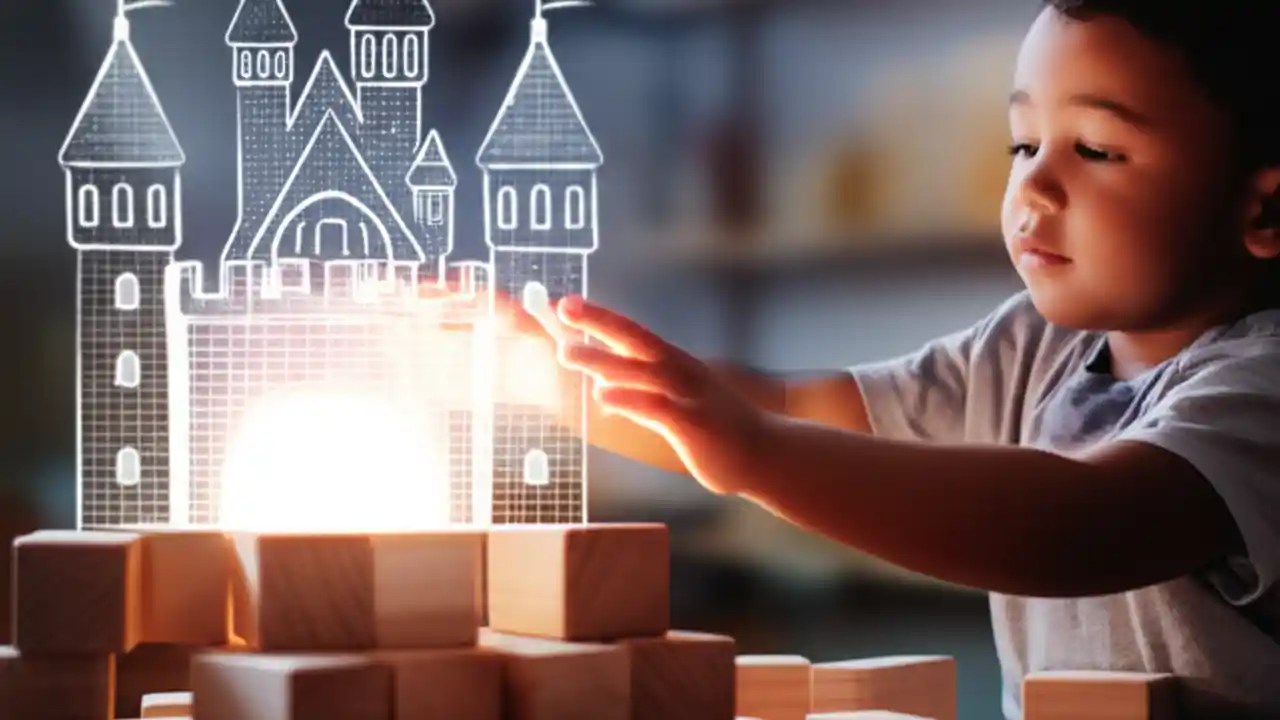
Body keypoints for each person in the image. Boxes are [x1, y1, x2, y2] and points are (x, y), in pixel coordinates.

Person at [526, 2, 1280, 718]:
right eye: (1023, 145)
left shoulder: (1260, 388)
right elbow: (793, 410)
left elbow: (1083, 524)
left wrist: (755, 455)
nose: (1035, 186)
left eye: (1096, 149)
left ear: (1262, 212)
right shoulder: (1028, 347)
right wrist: (549, 373)